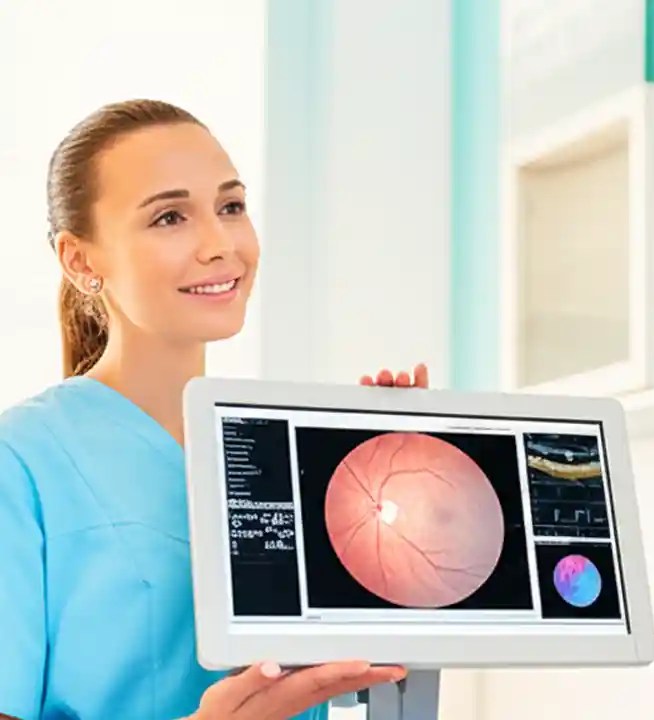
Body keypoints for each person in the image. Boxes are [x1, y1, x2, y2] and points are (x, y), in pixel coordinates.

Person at [0, 99, 430, 720]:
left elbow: (371, 679)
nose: (219, 244)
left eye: (230, 206)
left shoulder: (285, 453)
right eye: (170, 217)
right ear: (80, 259)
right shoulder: (23, 462)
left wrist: (403, 483)